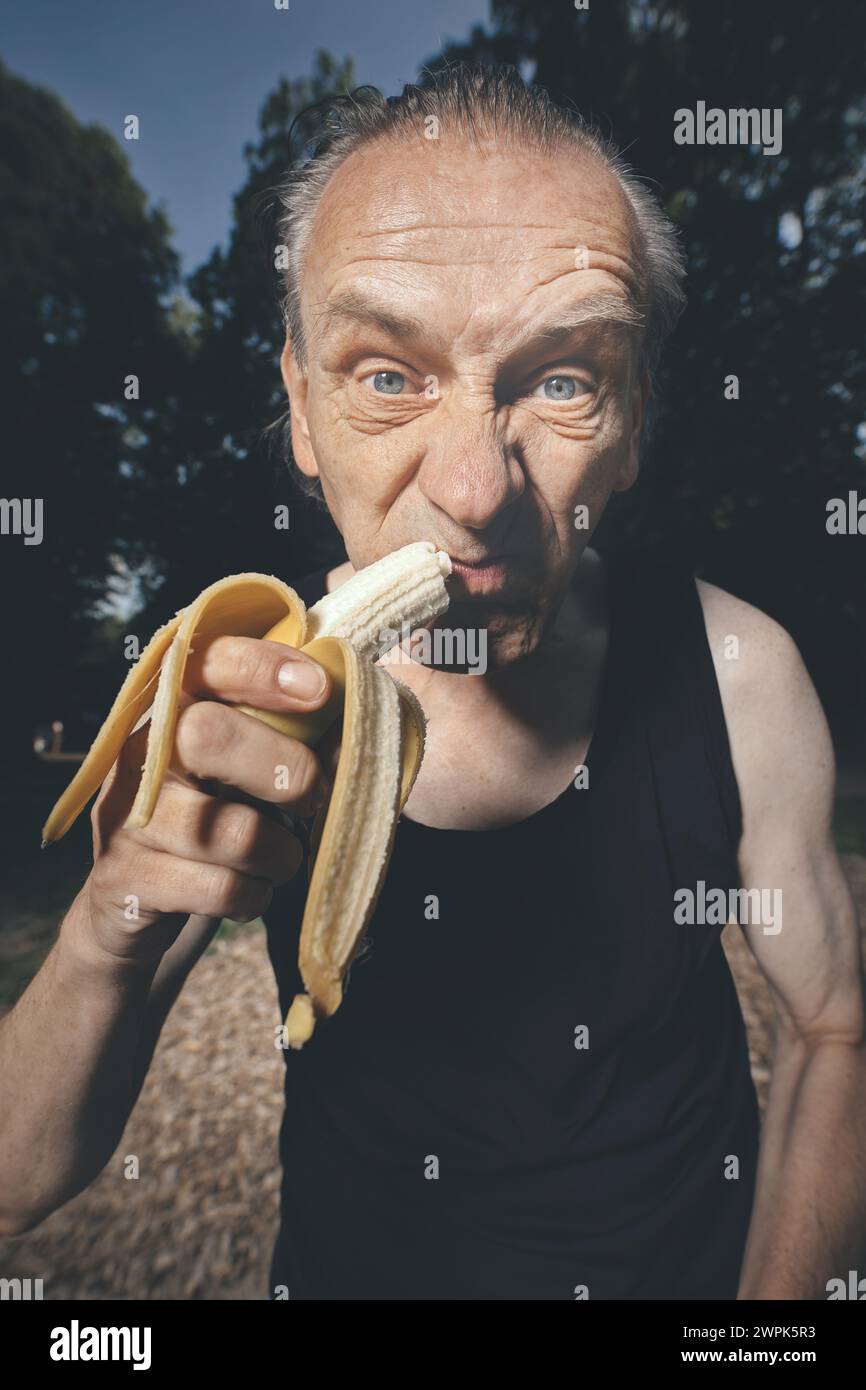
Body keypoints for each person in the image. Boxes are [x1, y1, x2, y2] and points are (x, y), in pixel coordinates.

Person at [1, 65, 864, 1300]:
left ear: (630, 425)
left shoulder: (739, 677)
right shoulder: (244, 706)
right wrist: (106, 928)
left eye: (561, 379)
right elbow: (15, 1185)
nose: (470, 491)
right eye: (385, 374)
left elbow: (835, 1023)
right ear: (301, 412)